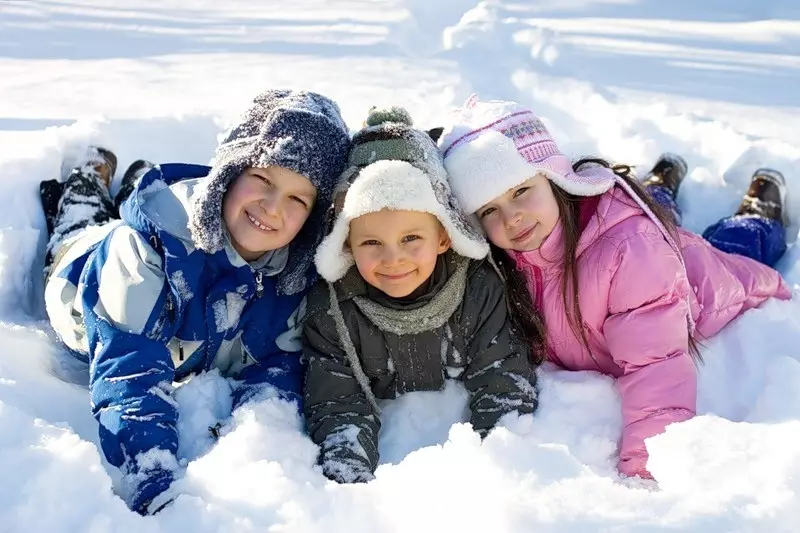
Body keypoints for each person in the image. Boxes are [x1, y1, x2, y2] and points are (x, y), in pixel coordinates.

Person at [438, 95, 791, 479]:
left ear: (554, 178)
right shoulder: (502, 261)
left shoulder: (632, 255)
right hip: (635, 241)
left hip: (699, 276)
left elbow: (656, 368)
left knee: (736, 243)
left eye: (520, 191)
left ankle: (759, 211)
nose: (512, 217)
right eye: (488, 209)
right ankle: (659, 186)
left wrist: (647, 470)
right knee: (655, 210)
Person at [42, 89, 351, 513]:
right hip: (85, 279)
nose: (273, 206)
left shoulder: (292, 274)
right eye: (262, 179)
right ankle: (86, 186)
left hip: (188, 318)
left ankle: (136, 182)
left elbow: (278, 366)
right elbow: (129, 376)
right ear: (229, 172)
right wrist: (155, 483)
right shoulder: (141, 253)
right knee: (83, 230)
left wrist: (259, 442)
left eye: (298, 198)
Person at [303, 106, 539, 484]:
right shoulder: (333, 311)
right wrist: (347, 486)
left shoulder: (477, 289)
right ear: (347, 244)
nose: (393, 259)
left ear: (444, 236)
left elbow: (503, 378)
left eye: (411, 238)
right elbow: (337, 404)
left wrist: (498, 469)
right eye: (371, 242)